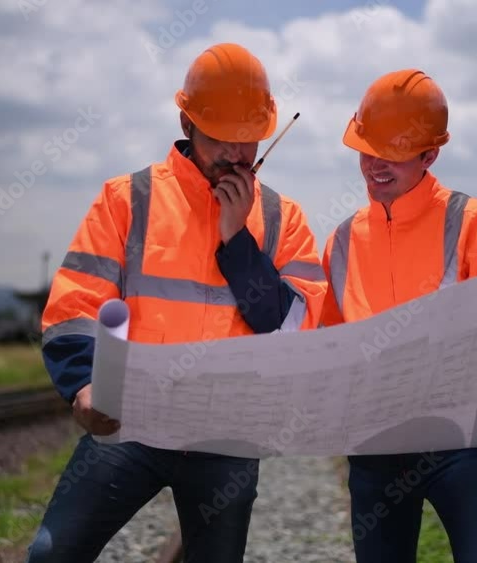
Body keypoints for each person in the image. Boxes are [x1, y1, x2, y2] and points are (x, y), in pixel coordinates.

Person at [25, 43, 326, 563]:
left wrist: (239, 243)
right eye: (220, 141)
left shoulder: (281, 219)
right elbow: (75, 304)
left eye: (248, 142)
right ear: (187, 124)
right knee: (52, 555)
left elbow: (295, 330)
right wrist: (83, 386)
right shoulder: (128, 199)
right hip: (130, 426)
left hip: (228, 438)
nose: (236, 156)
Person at [319, 69, 477, 563]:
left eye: (392, 154)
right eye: (367, 149)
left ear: (430, 154)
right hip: (375, 450)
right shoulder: (342, 241)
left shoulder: (474, 222)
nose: (374, 165)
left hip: (461, 447)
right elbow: (324, 339)